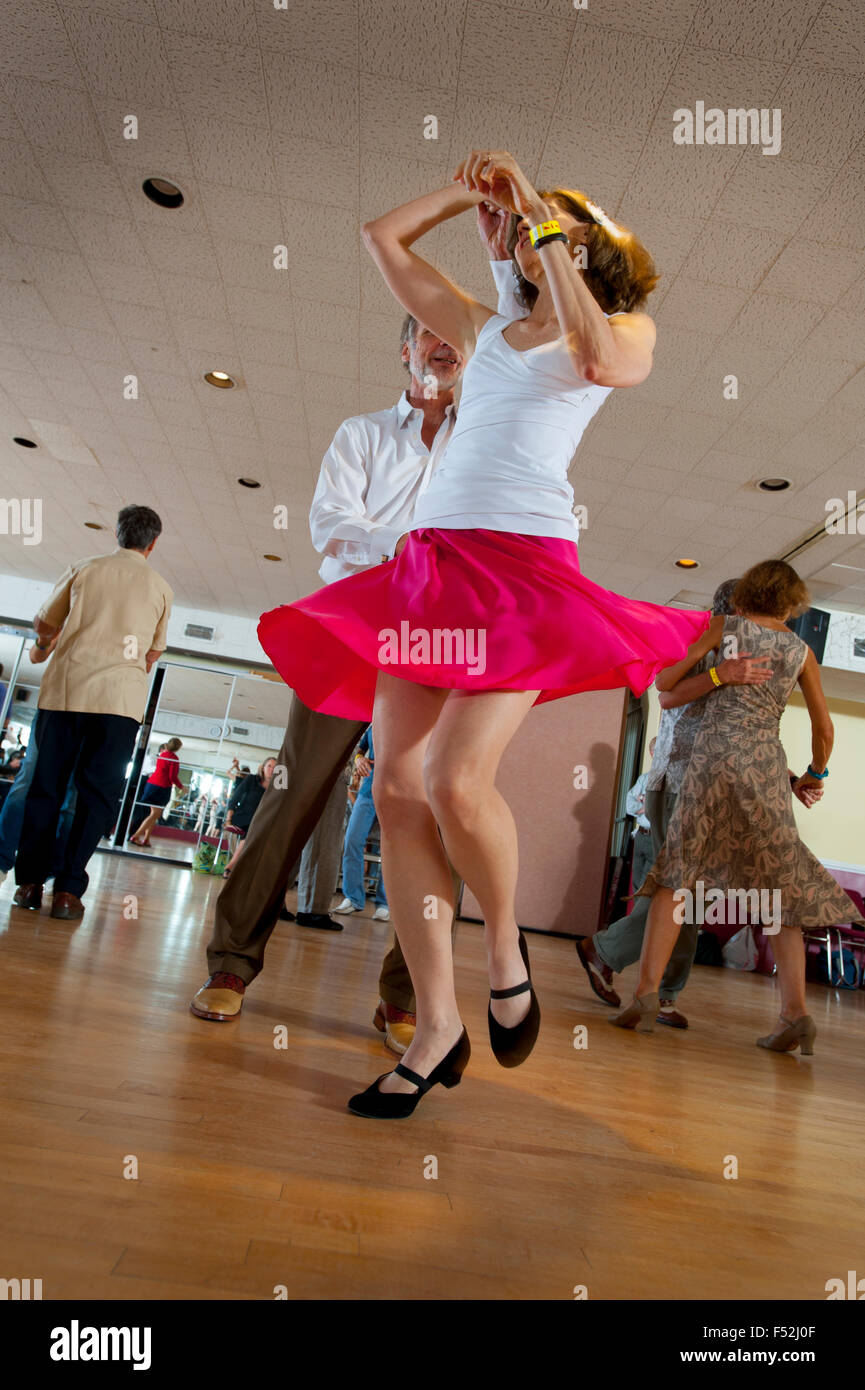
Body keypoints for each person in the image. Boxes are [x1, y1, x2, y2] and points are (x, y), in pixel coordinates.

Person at [256, 149, 711, 1118]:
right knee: (398, 783)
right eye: (526, 225)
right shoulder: (485, 326)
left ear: (584, 248)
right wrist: (477, 193)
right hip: (431, 567)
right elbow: (380, 237)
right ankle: (436, 1025)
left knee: (460, 779)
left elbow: (596, 360)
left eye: (557, 228)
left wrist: (543, 233)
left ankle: (504, 951)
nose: (523, 232)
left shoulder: (626, 326)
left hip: (523, 572)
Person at [188, 222, 523, 1044]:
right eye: (426, 334)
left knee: (433, 804)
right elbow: (334, 530)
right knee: (298, 793)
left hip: (440, 649)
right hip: (354, 635)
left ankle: (407, 996)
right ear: (404, 353)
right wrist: (418, 554)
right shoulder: (363, 435)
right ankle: (232, 962)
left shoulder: (486, 445)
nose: (442, 346)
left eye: (454, 338)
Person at [611, 560, 865, 1053]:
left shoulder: (724, 627)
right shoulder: (802, 651)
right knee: (781, 891)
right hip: (766, 770)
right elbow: (825, 729)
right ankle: (795, 1014)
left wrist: (715, 671)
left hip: (711, 764)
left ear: (747, 594)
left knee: (676, 879)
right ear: (793, 605)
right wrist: (815, 774)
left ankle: (645, 996)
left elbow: (664, 683)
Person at [577, 578, 784, 1026]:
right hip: (677, 786)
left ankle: (662, 991)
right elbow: (666, 694)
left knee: (694, 898)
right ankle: (615, 957)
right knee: (679, 895)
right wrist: (717, 675)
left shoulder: (745, 659)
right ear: (737, 613)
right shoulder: (697, 642)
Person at [12, 505, 171, 919]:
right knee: (95, 797)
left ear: (117, 534)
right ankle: (67, 892)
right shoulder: (161, 588)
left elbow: (45, 623)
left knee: (45, 788)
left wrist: (54, 638)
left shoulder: (84, 568)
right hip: (119, 705)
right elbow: (153, 653)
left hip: (66, 692)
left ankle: (29, 885)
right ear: (152, 544)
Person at [336, 727, 390, 921]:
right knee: (352, 840)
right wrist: (359, 759)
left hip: (397, 794)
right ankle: (353, 898)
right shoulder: (374, 723)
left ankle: (385, 903)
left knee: (391, 849)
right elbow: (360, 748)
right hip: (368, 791)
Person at [222, 758, 276, 875]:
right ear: (263, 767)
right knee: (254, 830)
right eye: (269, 766)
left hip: (258, 822)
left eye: (275, 768)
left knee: (255, 829)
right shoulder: (252, 779)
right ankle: (232, 865)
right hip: (242, 817)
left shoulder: (276, 788)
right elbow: (235, 798)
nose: (271, 770)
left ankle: (233, 866)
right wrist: (228, 820)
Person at [129, 738, 185, 846]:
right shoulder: (174, 758)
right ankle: (136, 836)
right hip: (161, 787)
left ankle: (146, 839)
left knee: (154, 814)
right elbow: (172, 776)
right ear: (178, 748)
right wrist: (181, 787)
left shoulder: (162, 754)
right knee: (155, 814)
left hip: (152, 785)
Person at [626, 738, 655, 893]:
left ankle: (641, 916)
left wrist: (644, 802)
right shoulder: (644, 779)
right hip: (640, 835)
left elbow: (657, 809)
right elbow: (629, 805)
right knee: (636, 882)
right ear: (651, 753)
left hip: (654, 837)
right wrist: (644, 806)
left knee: (647, 884)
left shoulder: (670, 781)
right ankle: (637, 916)